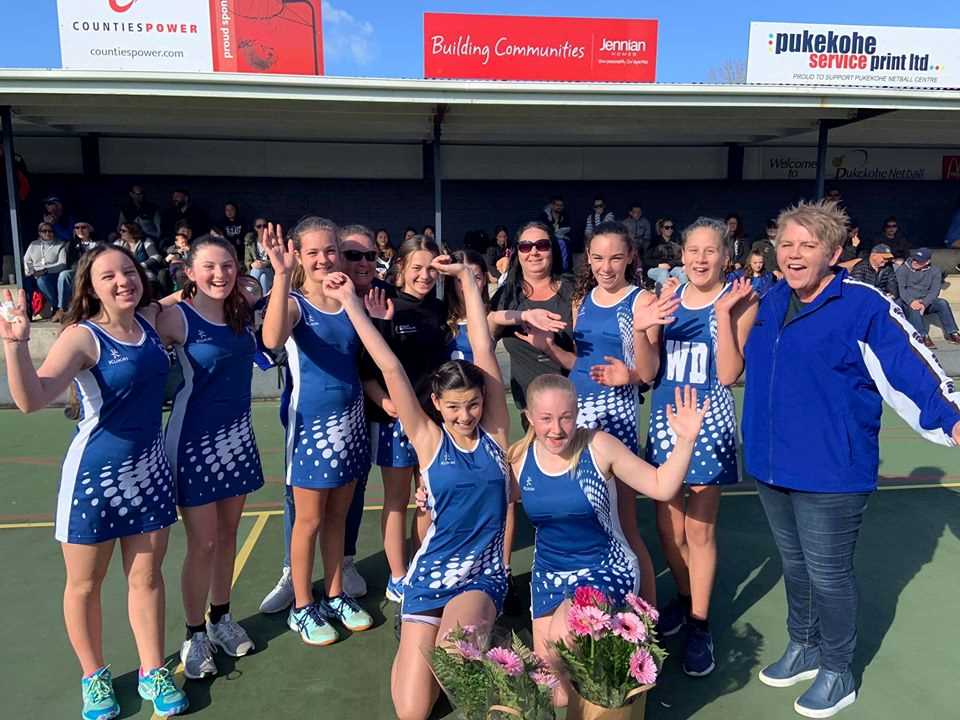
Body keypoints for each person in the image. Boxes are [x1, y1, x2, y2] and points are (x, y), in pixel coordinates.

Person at [725, 199, 960, 718]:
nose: (793, 254)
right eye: (786, 244)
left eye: (807, 245)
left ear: (833, 252)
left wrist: (951, 416)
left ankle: (837, 670)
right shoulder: (767, 301)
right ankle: (803, 646)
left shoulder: (863, 305)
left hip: (832, 470)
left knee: (829, 575)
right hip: (771, 464)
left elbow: (910, 361)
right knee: (795, 565)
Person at [1, 245, 189, 719]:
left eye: (129, 271)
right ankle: (94, 676)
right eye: (109, 276)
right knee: (85, 584)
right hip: (94, 479)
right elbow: (32, 399)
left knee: (146, 578)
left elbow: (200, 290)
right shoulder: (82, 338)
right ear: (91, 286)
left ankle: (152, 670)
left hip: (149, 473)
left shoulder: (150, 319)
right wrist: (15, 346)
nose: (123, 281)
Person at [329, 252, 511, 720]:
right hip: (430, 576)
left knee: (454, 660)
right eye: (453, 407)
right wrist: (352, 303)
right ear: (436, 403)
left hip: (479, 574)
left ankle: (485, 633)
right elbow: (389, 367)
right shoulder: (429, 439)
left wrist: (469, 281)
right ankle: (416, 638)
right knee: (412, 713)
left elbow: (484, 348)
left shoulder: (493, 433)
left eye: (472, 404)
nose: (464, 415)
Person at [510, 375, 707, 706]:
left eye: (566, 417)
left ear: (577, 413)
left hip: (605, 566)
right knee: (555, 693)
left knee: (565, 635)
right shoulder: (519, 461)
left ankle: (626, 655)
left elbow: (660, 485)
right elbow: (478, 499)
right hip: (549, 575)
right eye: (545, 419)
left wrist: (685, 442)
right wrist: (430, 497)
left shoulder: (598, 447)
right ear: (529, 417)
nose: (556, 429)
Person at [522, 221, 659, 603]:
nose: (606, 266)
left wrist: (628, 374)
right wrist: (548, 346)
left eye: (616, 257)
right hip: (576, 419)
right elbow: (579, 364)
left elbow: (650, 371)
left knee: (624, 525)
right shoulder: (583, 300)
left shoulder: (642, 301)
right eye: (598, 257)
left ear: (631, 255)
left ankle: (648, 616)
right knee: (588, 518)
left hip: (615, 421)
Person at [635, 217, 746, 678]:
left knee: (699, 532)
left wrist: (721, 316)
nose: (700, 259)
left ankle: (700, 623)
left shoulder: (739, 300)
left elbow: (728, 374)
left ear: (725, 256)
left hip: (708, 423)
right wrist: (644, 330)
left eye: (710, 251)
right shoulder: (667, 299)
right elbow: (647, 372)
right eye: (693, 250)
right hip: (665, 419)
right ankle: (683, 598)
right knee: (668, 529)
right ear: (681, 255)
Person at [259, 217, 374, 645]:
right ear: (299, 257)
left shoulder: (348, 298)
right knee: (307, 520)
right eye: (314, 252)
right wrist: (281, 275)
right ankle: (303, 605)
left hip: (352, 424)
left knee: (337, 518)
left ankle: (335, 593)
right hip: (311, 429)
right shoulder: (292, 303)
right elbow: (271, 339)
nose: (325, 259)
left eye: (331, 250)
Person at [155, 236, 265, 680]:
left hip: (237, 438)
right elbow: (128, 319)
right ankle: (193, 632)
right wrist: (178, 293)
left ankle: (221, 617)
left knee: (229, 532)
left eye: (228, 266)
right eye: (209, 268)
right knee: (202, 542)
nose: (220, 275)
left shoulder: (242, 313)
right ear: (190, 272)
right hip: (192, 444)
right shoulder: (177, 317)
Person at [362, 235, 449, 605]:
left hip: (434, 421)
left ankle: (422, 564)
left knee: (428, 499)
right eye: (417, 267)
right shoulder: (384, 307)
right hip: (396, 422)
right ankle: (397, 576)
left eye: (432, 268)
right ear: (401, 268)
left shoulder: (439, 309)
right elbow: (366, 370)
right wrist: (385, 401)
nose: (425, 275)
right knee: (397, 500)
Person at [488, 222, 575, 414]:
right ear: (517, 253)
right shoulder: (506, 296)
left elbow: (583, 365)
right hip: (528, 411)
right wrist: (523, 316)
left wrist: (550, 348)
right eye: (526, 246)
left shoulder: (574, 294)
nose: (534, 252)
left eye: (542, 245)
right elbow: (485, 340)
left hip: (570, 408)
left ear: (553, 250)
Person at [895, 247, 960, 348]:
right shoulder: (903, 269)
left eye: (919, 261)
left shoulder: (935, 271)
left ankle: (953, 333)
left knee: (942, 303)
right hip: (907, 301)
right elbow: (901, 290)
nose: (915, 262)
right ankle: (922, 335)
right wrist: (912, 301)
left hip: (925, 300)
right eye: (915, 259)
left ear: (927, 262)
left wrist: (924, 303)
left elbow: (935, 291)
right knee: (914, 308)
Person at [446, 249, 489, 363]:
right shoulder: (440, 316)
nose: (469, 285)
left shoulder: (489, 317)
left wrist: (523, 315)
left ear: (485, 279)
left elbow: (499, 316)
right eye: (461, 279)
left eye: (477, 278)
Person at [23, 221, 71, 322]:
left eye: (50, 231)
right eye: (44, 231)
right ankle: (28, 311)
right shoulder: (33, 244)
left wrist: (45, 270)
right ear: (39, 233)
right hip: (34, 273)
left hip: (52, 274)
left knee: (42, 280)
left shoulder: (60, 244)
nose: (47, 233)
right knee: (25, 282)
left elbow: (62, 264)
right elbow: (27, 261)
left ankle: (56, 307)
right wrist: (32, 272)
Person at [115, 222, 168, 294]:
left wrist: (141, 266)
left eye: (123, 231)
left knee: (149, 286)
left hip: (146, 273)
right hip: (127, 275)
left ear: (132, 232)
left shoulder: (145, 241)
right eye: (120, 230)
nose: (120, 232)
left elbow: (156, 257)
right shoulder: (119, 244)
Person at [644, 218, 685, 289]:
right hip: (654, 268)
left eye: (672, 227)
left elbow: (682, 258)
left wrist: (672, 264)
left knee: (682, 272)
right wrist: (659, 265)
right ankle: (660, 295)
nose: (670, 229)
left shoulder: (676, 241)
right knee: (663, 273)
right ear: (661, 229)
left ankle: (685, 294)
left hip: (672, 267)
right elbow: (646, 259)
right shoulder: (654, 242)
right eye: (667, 227)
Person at [540, 196, 572, 271]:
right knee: (561, 243)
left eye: (561, 205)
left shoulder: (564, 216)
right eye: (557, 205)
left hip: (561, 238)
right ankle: (562, 269)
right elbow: (543, 230)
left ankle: (565, 269)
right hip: (547, 238)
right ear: (552, 205)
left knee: (565, 242)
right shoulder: (544, 216)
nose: (559, 207)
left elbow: (567, 228)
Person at [244, 218, 273, 294]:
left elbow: (277, 260)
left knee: (258, 269)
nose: (262, 228)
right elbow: (247, 261)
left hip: (270, 271)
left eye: (264, 226)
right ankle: (264, 301)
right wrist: (252, 264)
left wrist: (265, 263)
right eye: (259, 226)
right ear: (255, 228)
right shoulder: (250, 243)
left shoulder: (272, 242)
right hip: (255, 270)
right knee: (263, 278)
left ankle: (247, 293)